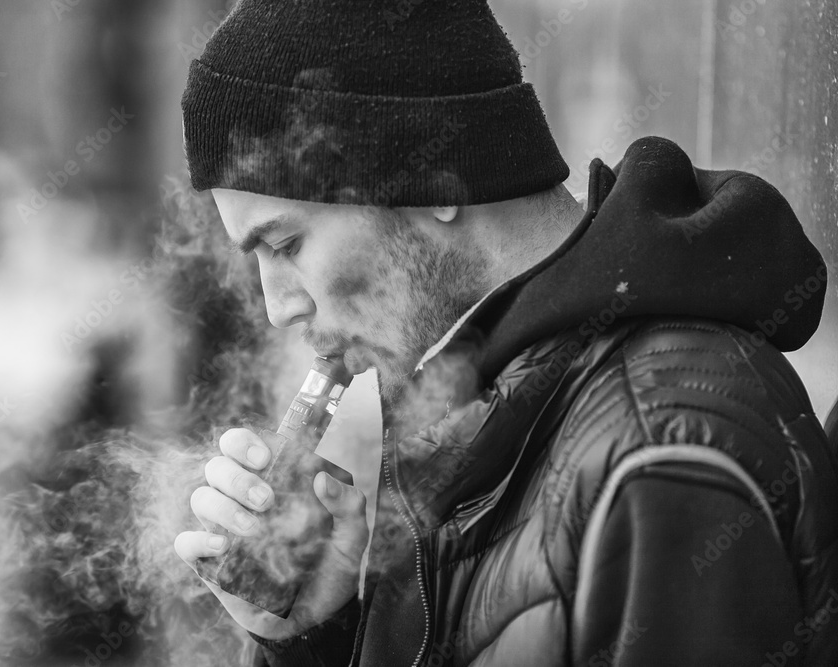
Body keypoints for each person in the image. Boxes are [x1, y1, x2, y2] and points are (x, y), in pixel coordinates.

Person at [173, 1, 838, 665]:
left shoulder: (658, 459)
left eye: (286, 244)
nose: (278, 307)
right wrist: (321, 637)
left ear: (429, 176)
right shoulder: (484, 412)